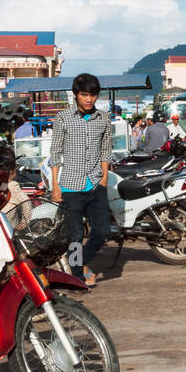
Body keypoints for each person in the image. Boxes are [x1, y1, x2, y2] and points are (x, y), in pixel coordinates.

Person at [48, 73, 113, 286]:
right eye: (84, 94)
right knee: (75, 236)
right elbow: (55, 153)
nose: (89, 99)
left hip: (96, 184)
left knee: (103, 231)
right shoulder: (63, 117)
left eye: (93, 95)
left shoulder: (103, 118)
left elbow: (105, 150)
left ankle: (79, 263)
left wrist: (104, 178)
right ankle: (76, 277)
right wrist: (55, 187)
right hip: (70, 186)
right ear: (75, 94)